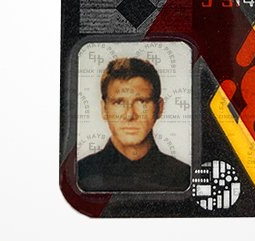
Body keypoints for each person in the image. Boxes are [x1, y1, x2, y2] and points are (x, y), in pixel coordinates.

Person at [77, 57, 190, 191]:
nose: (130, 115)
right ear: (104, 109)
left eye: (141, 102)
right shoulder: (80, 174)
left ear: (159, 108)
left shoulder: (185, 177)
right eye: (119, 102)